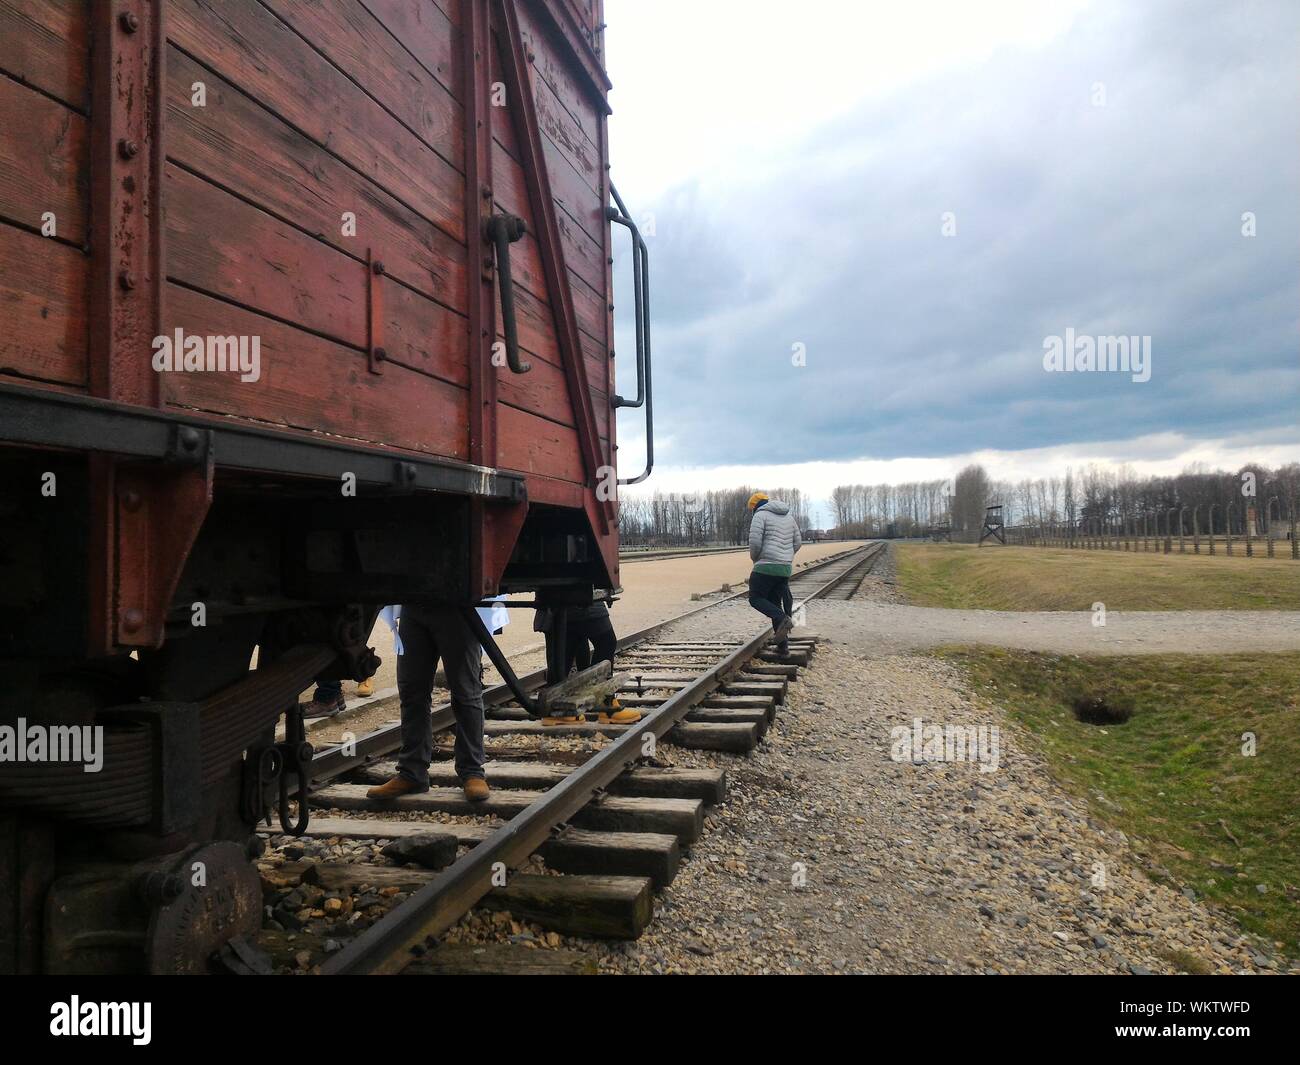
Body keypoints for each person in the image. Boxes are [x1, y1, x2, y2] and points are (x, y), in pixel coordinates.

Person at [365, 603, 490, 802]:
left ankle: (472, 771)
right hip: (413, 603)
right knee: (412, 693)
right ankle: (411, 773)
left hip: (457, 603)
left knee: (466, 693)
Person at [746, 492, 801, 654]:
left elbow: (755, 542)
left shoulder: (760, 515)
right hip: (784, 568)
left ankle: (784, 619)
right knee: (775, 603)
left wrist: (756, 559)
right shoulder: (788, 517)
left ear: (755, 506)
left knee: (755, 598)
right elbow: (797, 542)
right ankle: (783, 647)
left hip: (765, 565)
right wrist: (786, 557)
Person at [564, 598, 616, 674]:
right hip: (587, 602)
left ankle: (559, 681)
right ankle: (595, 681)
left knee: (570, 647)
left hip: (555, 604)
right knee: (607, 642)